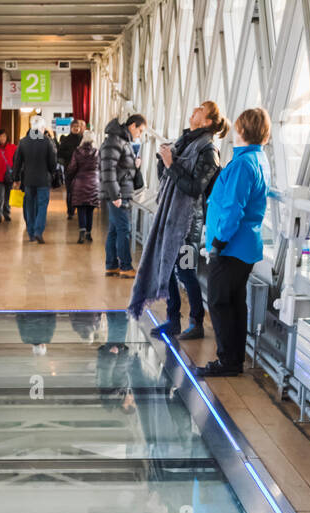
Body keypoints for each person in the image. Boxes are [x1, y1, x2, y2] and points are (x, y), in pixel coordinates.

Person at [129, 101, 228, 338]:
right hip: (171, 219)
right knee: (169, 268)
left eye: (200, 110)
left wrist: (171, 164)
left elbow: (195, 188)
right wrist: (164, 162)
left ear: (208, 122)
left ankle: (196, 323)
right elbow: (169, 180)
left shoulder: (208, 151)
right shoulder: (186, 143)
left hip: (188, 224)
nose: (193, 110)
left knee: (185, 271)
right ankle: (173, 320)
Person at [197, 106, 272, 378]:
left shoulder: (242, 164)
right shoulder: (258, 159)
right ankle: (234, 359)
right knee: (235, 303)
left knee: (218, 302)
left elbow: (233, 209)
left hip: (231, 247)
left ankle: (228, 361)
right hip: (246, 246)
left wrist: (217, 242)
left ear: (242, 130)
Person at [100, 113, 148, 279]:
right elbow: (108, 170)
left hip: (120, 192)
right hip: (118, 193)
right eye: (140, 130)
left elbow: (119, 168)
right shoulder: (115, 141)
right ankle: (125, 267)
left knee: (115, 229)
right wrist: (115, 195)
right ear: (133, 125)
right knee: (123, 229)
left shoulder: (122, 141)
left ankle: (111, 265)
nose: (139, 135)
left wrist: (134, 165)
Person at [12, 115, 57, 244]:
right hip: (43, 180)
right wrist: (52, 173)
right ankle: (38, 231)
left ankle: (31, 233)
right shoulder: (47, 141)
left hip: (28, 180)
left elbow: (17, 162)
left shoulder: (23, 141)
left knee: (29, 206)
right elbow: (52, 162)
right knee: (42, 205)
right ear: (42, 128)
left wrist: (16, 178)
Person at [66, 128, 101, 243]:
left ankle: (81, 232)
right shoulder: (97, 152)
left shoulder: (77, 152)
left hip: (80, 182)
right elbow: (101, 167)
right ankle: (89, 234)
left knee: (81, 208)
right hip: (93, 183)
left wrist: (70, 179)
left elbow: (72, 168)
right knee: (90, 209)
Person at [57, 119, 83, 217]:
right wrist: (71, 154)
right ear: (71, 128)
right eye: (74, 127)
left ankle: (79, 209)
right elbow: (60, 153)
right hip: (69, 169)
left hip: (81, 170)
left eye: (78, 127)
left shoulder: (83, 139)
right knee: (70, 191)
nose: (76, 128)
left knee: (80, 191)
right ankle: (70, 211)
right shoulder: (66, 140)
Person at [0, 129, 15, 223]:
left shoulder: (12, 147)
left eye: (4, 136)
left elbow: (16, 160)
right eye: (0, 136)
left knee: (8, 196)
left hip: (9, 175)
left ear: (7, 137)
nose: (2, 138)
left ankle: (6, 213)